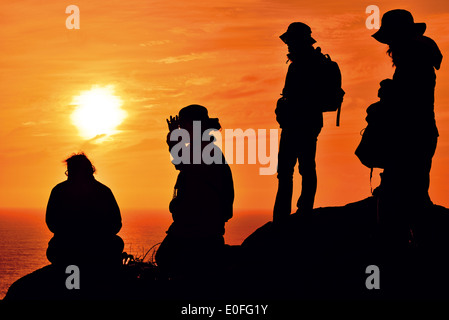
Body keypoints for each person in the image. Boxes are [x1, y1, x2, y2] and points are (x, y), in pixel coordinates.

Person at [371, 10, 443, 243]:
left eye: (391, 38)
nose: (389, 46)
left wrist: (388, 92)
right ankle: (421, 246)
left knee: (401, 192)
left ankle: (409, 247)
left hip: (411, 136)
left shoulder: (412, 59)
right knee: (415, 189)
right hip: (420, 134)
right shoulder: (417, 57)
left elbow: (409, 100)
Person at [155, 105, 234, 278]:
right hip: (200, 225)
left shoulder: (205, 150)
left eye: (184, 127)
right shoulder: (206, 149)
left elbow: (180, 161)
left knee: (167, 259)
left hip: (197, 227)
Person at [273, 22, 337, 221]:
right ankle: (297, 211)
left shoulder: (308, 64)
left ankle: (293, 213)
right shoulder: (303, 62)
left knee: (296, 169)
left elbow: (302, 97)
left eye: (291, 41)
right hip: (301, 122)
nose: (288, 45)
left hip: (302, 122)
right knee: (298, 168)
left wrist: (288, 107)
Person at [45, 153, 124, 267]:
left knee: (55, 250)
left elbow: (51, 223)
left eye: (70, 172)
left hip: (67, 248)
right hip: (99, 247)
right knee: (116, 243)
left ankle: (73, 281)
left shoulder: (58, 190)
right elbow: (116, 224)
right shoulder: (104, 191)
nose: (68, 175)